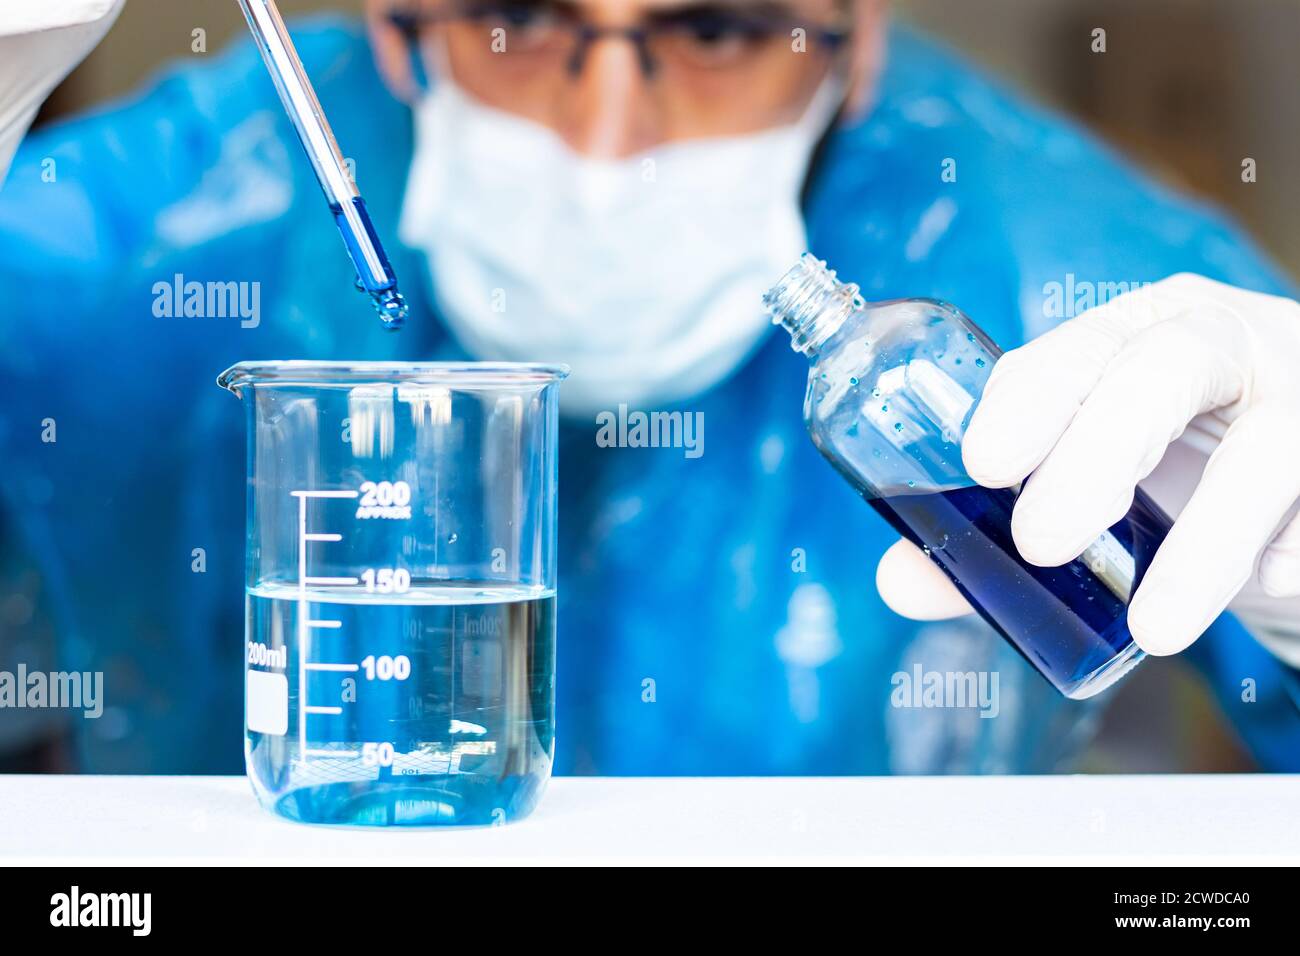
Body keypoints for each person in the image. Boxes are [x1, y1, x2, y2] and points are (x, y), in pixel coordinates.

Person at [1, 0, 1298, 775]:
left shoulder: (1064, 269)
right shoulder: (141, 232)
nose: (608, 135)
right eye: (524, 17)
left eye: (719, 25)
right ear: (398, 26)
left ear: (852, 32)